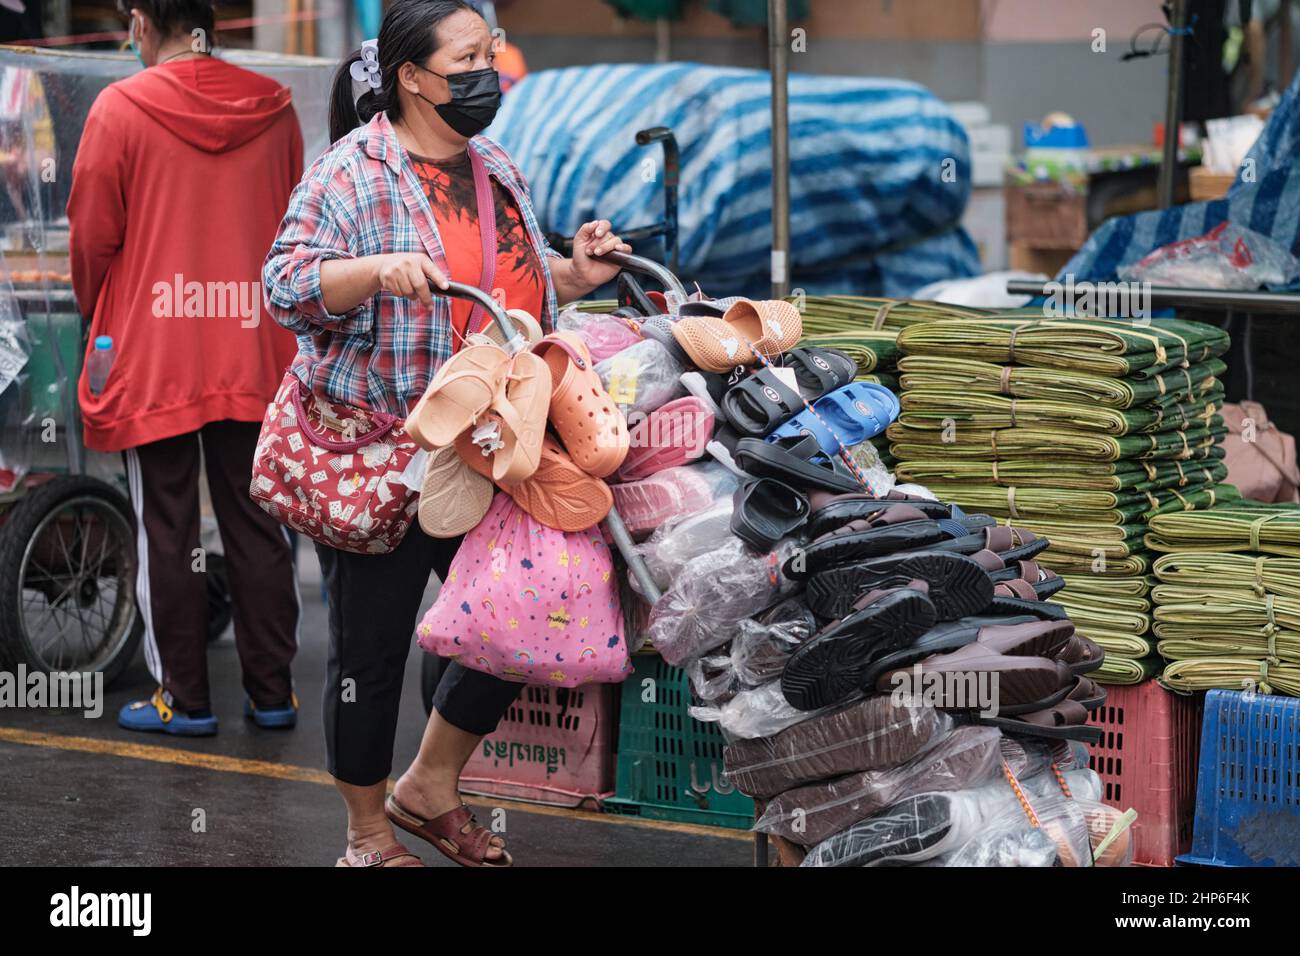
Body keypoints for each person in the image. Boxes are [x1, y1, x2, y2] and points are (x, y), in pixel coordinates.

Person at [263, 0, 629, 867]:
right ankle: (364, 837)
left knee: (526, 617)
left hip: (493, 450)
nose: (486, 73)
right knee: (370, 654)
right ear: (412, 78)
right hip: (385, 453)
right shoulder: (351, 174)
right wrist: (372, 270)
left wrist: (574, 273)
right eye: (465, 60)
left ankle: (429, 783)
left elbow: (518, 303)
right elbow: (282, 288)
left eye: (489, 54)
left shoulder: (495, 166)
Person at [68, 1, 304, 736]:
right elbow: (293, 228)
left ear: (141, 21)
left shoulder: (118, 109)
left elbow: (90, 239)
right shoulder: (278, 112)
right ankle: (273, 695)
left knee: (165, 528)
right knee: (260, 523)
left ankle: (185, 699)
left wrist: (96, 315)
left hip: (156, 350)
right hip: (256, 344)